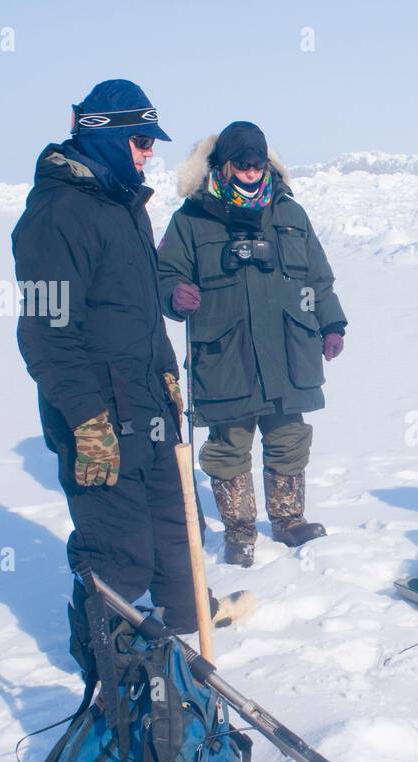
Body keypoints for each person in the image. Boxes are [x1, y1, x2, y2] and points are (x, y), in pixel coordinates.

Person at [13, 80, 247, 676]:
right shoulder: (57, 215)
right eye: (140, 141)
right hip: (98, 414)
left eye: (150, 142)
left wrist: (168, 376)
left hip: (147, 399)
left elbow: (139, 314)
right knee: (120, 549)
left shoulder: (123, 207)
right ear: (106, 135)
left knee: (174, 524)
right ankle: (105, 659)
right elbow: (46, 334)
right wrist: (86, 420)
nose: (148, 152)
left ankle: (187, 614)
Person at [157, 121, 347, 567]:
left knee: (288, 436)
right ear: (222, 165)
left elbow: (318, 278)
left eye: (256, 163)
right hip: (226, 353)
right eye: (240, 164)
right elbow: (165, 274)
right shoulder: (191, 218)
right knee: (229, 444)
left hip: (287, 349)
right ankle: (240, 533)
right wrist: (173, 294)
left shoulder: (290, 214)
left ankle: (288, 520)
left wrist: (332, 322)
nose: (249, 171)